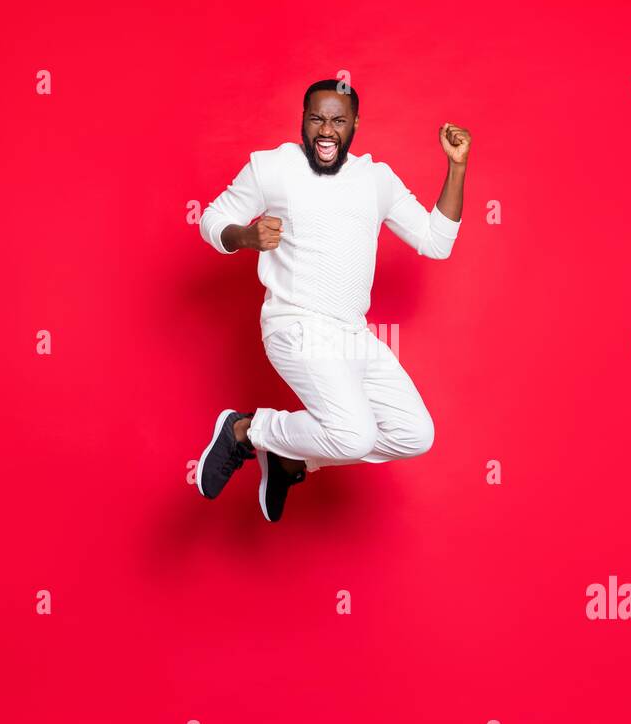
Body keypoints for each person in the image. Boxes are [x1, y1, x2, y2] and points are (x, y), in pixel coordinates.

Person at [196, 78, 471, 521]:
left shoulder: (376, 180)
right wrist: (244, 236)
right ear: (302, 121)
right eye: (317, 119)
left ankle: (291, 460)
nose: (327, 130)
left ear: (355, 124)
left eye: (338, 121)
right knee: (355, 435)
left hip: (352, 334)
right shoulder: (273, 168)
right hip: (295, 323)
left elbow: (435, 242)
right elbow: (212, 218)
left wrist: (457, 167)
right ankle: (247, 430)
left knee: (414, 433)